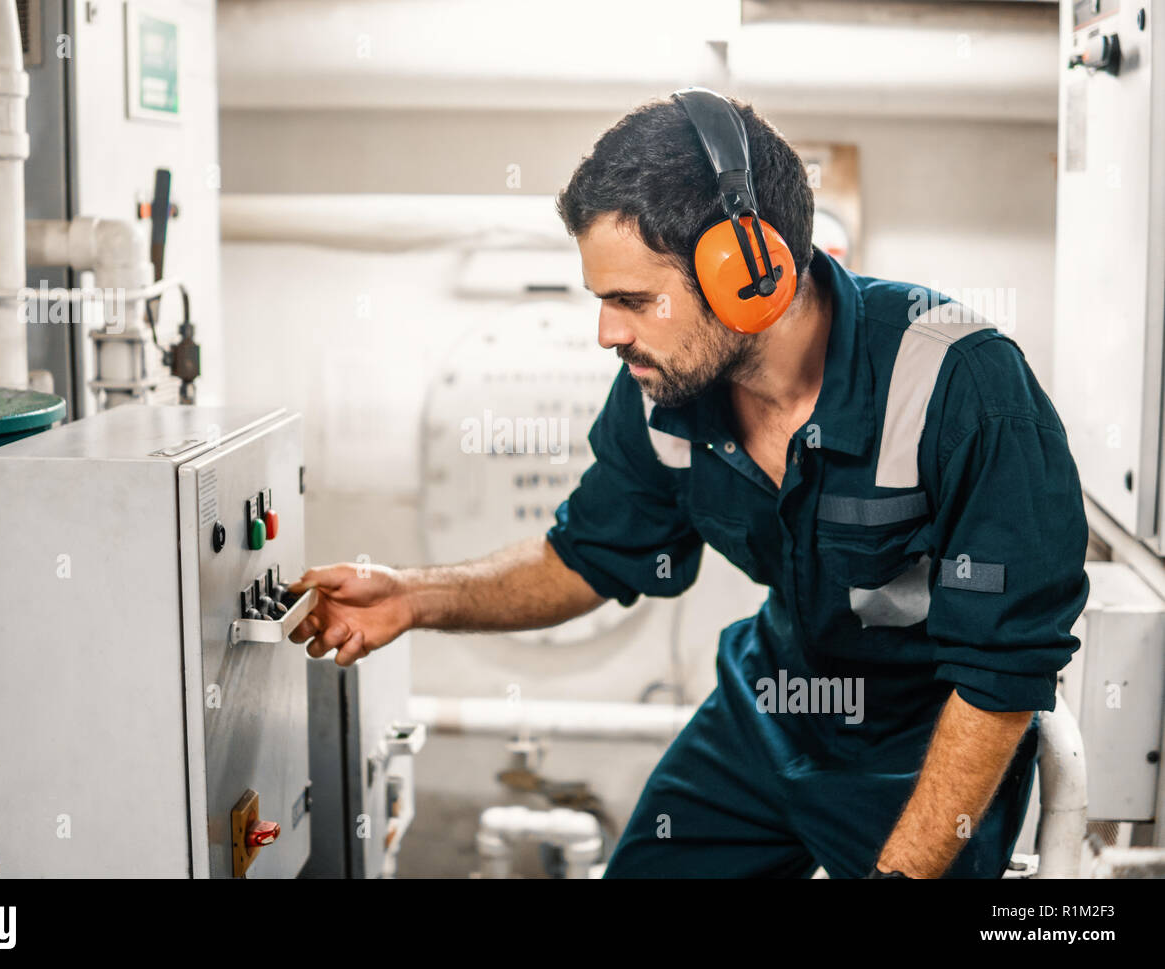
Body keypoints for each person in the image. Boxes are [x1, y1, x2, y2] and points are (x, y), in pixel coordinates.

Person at [288, 89, 1089, 878]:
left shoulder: (960, 384)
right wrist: (413, 597)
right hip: (770, 709)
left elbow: (1002, 673)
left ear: (752, 274)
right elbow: (587, 555)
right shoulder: (662, 391)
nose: (608, 331)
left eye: (633, 300)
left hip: (927, 743)